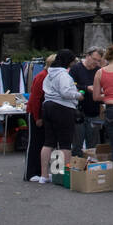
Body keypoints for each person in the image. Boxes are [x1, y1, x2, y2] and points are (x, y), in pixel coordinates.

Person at [39, 50, 80, 183]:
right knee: (65, 143)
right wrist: (78, 95)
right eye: (73, 61)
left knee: (49, 142)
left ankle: (44, 175)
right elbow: (65, 92)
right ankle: (63, 176)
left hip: (48, 106)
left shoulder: (49, 73)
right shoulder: (63, 75)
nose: (74, 63)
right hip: (63, 108)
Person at [25, 54, 53, 182]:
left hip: (45, 114)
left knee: (44, 143)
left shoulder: (50, 76)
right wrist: (37, 117)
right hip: (36, 113)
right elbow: (35, 99)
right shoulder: (42, 76)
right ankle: (30, 173)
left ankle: (43, 171)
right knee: (34, 144)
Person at [70, 48, 104, 152]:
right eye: (94, 59)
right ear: (87, 56)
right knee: (77, 144)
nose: (96, 62)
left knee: (93, 146)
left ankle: (91, 167)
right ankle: (77, 166)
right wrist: (86, 88)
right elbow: (70, 86)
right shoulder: (76, 68)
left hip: (94, 111)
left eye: (99, 60)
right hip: (79, 112)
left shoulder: (98, 70)